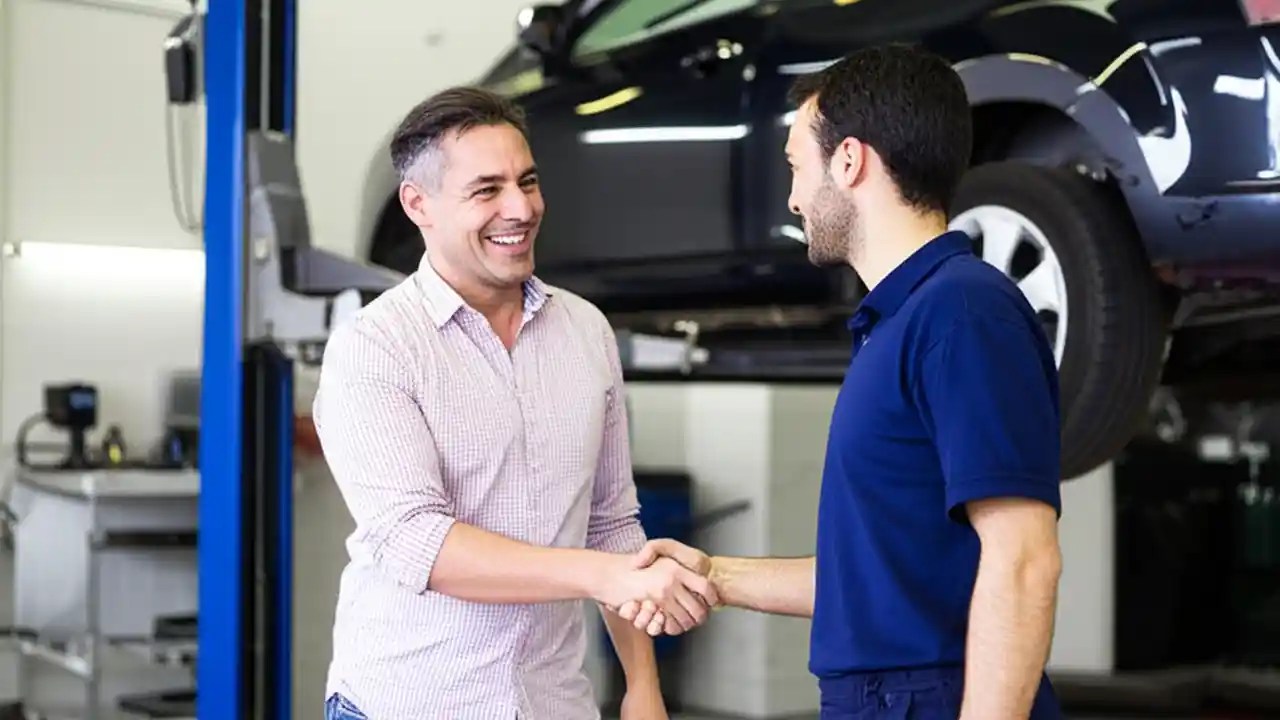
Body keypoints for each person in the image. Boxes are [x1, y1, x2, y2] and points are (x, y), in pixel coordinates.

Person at [620, 45, 1065, 719]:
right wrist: (712, 573)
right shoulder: (901, 322)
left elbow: (1025, 558)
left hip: (932, 697)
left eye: (798, 167)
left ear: (850, 161)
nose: (795, 198)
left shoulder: (962, 312)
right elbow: (872, 581)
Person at [311, 86, 716, 720]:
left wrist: (642, 687)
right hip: (411, 702)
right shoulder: (374, 349)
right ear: (418, 205)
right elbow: (422, 545)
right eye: (487, 190)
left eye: (527, 182)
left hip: (554, 702)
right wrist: (598, 575)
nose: (521, 208)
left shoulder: (586, 332)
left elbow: (612, 524)